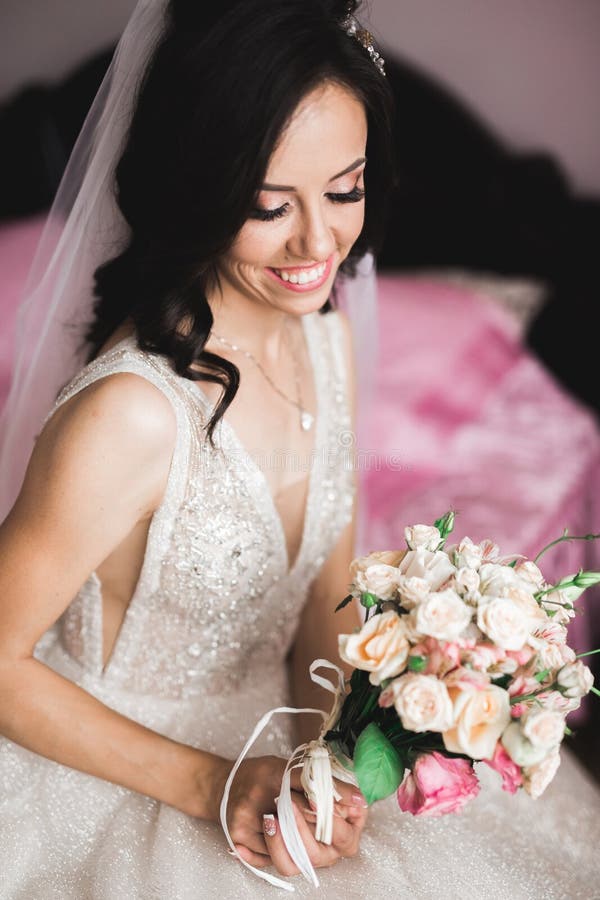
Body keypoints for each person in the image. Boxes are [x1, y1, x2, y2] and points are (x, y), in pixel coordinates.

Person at [0, 2, 598, 898]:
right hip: (123, 763)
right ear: (196, 192)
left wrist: (340, 756)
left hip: (283, 740)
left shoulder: (326, 341)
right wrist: (218, 783)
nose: (318, 245)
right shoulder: (128, 416)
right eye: (269, 206)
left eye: (345, 191)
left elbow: (327, 587)